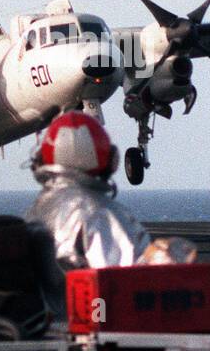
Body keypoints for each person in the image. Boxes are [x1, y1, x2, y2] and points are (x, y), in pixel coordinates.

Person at [25, 111, 152, 273]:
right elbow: (126, 275)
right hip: (95, 298)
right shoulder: (99, 213)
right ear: (111, 159)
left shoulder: (35, 211)